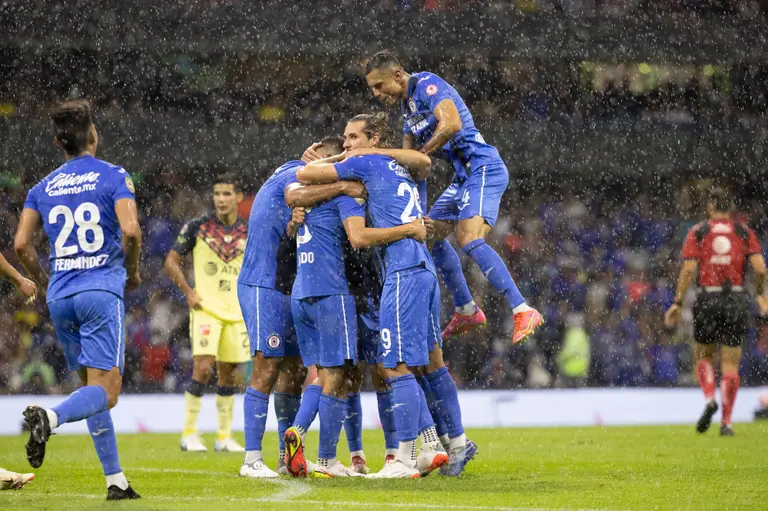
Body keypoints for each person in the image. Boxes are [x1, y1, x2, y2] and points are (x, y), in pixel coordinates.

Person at [297, 112, 474, 478]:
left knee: (392, 363)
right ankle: (447, 443)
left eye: (353, 137)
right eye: (345, 139)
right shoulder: (400, 168)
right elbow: (424, 162)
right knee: (429, 361)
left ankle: (405, 459)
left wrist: (336, 158)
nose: (348, 144)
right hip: (422, 268)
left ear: (373, 139)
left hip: (403, 270)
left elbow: (304, 176)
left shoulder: (363, 162)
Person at [364, 51, 543, 344]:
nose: (375, 93)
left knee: (468, 238)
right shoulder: (407, 110)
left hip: (483, 168)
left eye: (378, 85)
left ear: (397, 75)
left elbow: (451, 124)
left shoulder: (427, 85)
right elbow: (411, 165)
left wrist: (421, 153)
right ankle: (466, 309)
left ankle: (523, 309)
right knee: (429, 235)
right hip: (463, 179)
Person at [282, 135, 435, 478]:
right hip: (346, 294)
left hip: (303, 291)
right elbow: (359, 238)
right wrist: (410, 227)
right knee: (373, 370)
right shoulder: (345, 197)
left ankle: (348, 451)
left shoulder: (306, 200)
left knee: (340, 375)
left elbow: (294, 192)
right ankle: (345, 455)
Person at [14, 99, 142, 500]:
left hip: (60, 296)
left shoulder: (42, 187)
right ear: (93, 135)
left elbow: (21, 245)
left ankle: (115, 481)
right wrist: (133, 270)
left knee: (90, 389)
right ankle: (50, 417)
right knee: (108, 391)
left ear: (58, 142)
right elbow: (131, 232)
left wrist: (45, 280)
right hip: (99, 291)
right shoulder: (114, 175)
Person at [236, 138, 366, 478]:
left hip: (290, 287)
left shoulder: (307, 184)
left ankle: (286, 457)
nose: (334, 173)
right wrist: (344, 184)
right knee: (266, 367)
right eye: (331, 164)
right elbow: (296, 194)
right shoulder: (295, 173)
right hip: (263, 282)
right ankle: (251, 459)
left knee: (293, 372)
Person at [665, 187, 768, 436]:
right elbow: (760, 269)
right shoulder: (743, 232)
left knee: (703, 356)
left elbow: (688, 270)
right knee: (731, 364)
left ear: (710, 207)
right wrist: (760, 295)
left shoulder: (699, 231)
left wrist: (678, 302)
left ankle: (710, 398)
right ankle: (727, 423)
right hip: (736, 298)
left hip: (708, 298)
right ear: (730, 208)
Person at [164, 173, 249, 453]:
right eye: (217, 194)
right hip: (206, 309)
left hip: (236, 311)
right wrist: (189, 292)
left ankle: (223, 436)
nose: (221, 199)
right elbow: (171, 261)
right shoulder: (198, 227)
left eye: (227, 194)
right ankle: (189, 433)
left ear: (238, 197)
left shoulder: (248, 231)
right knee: (203, 368)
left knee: (229, 374)